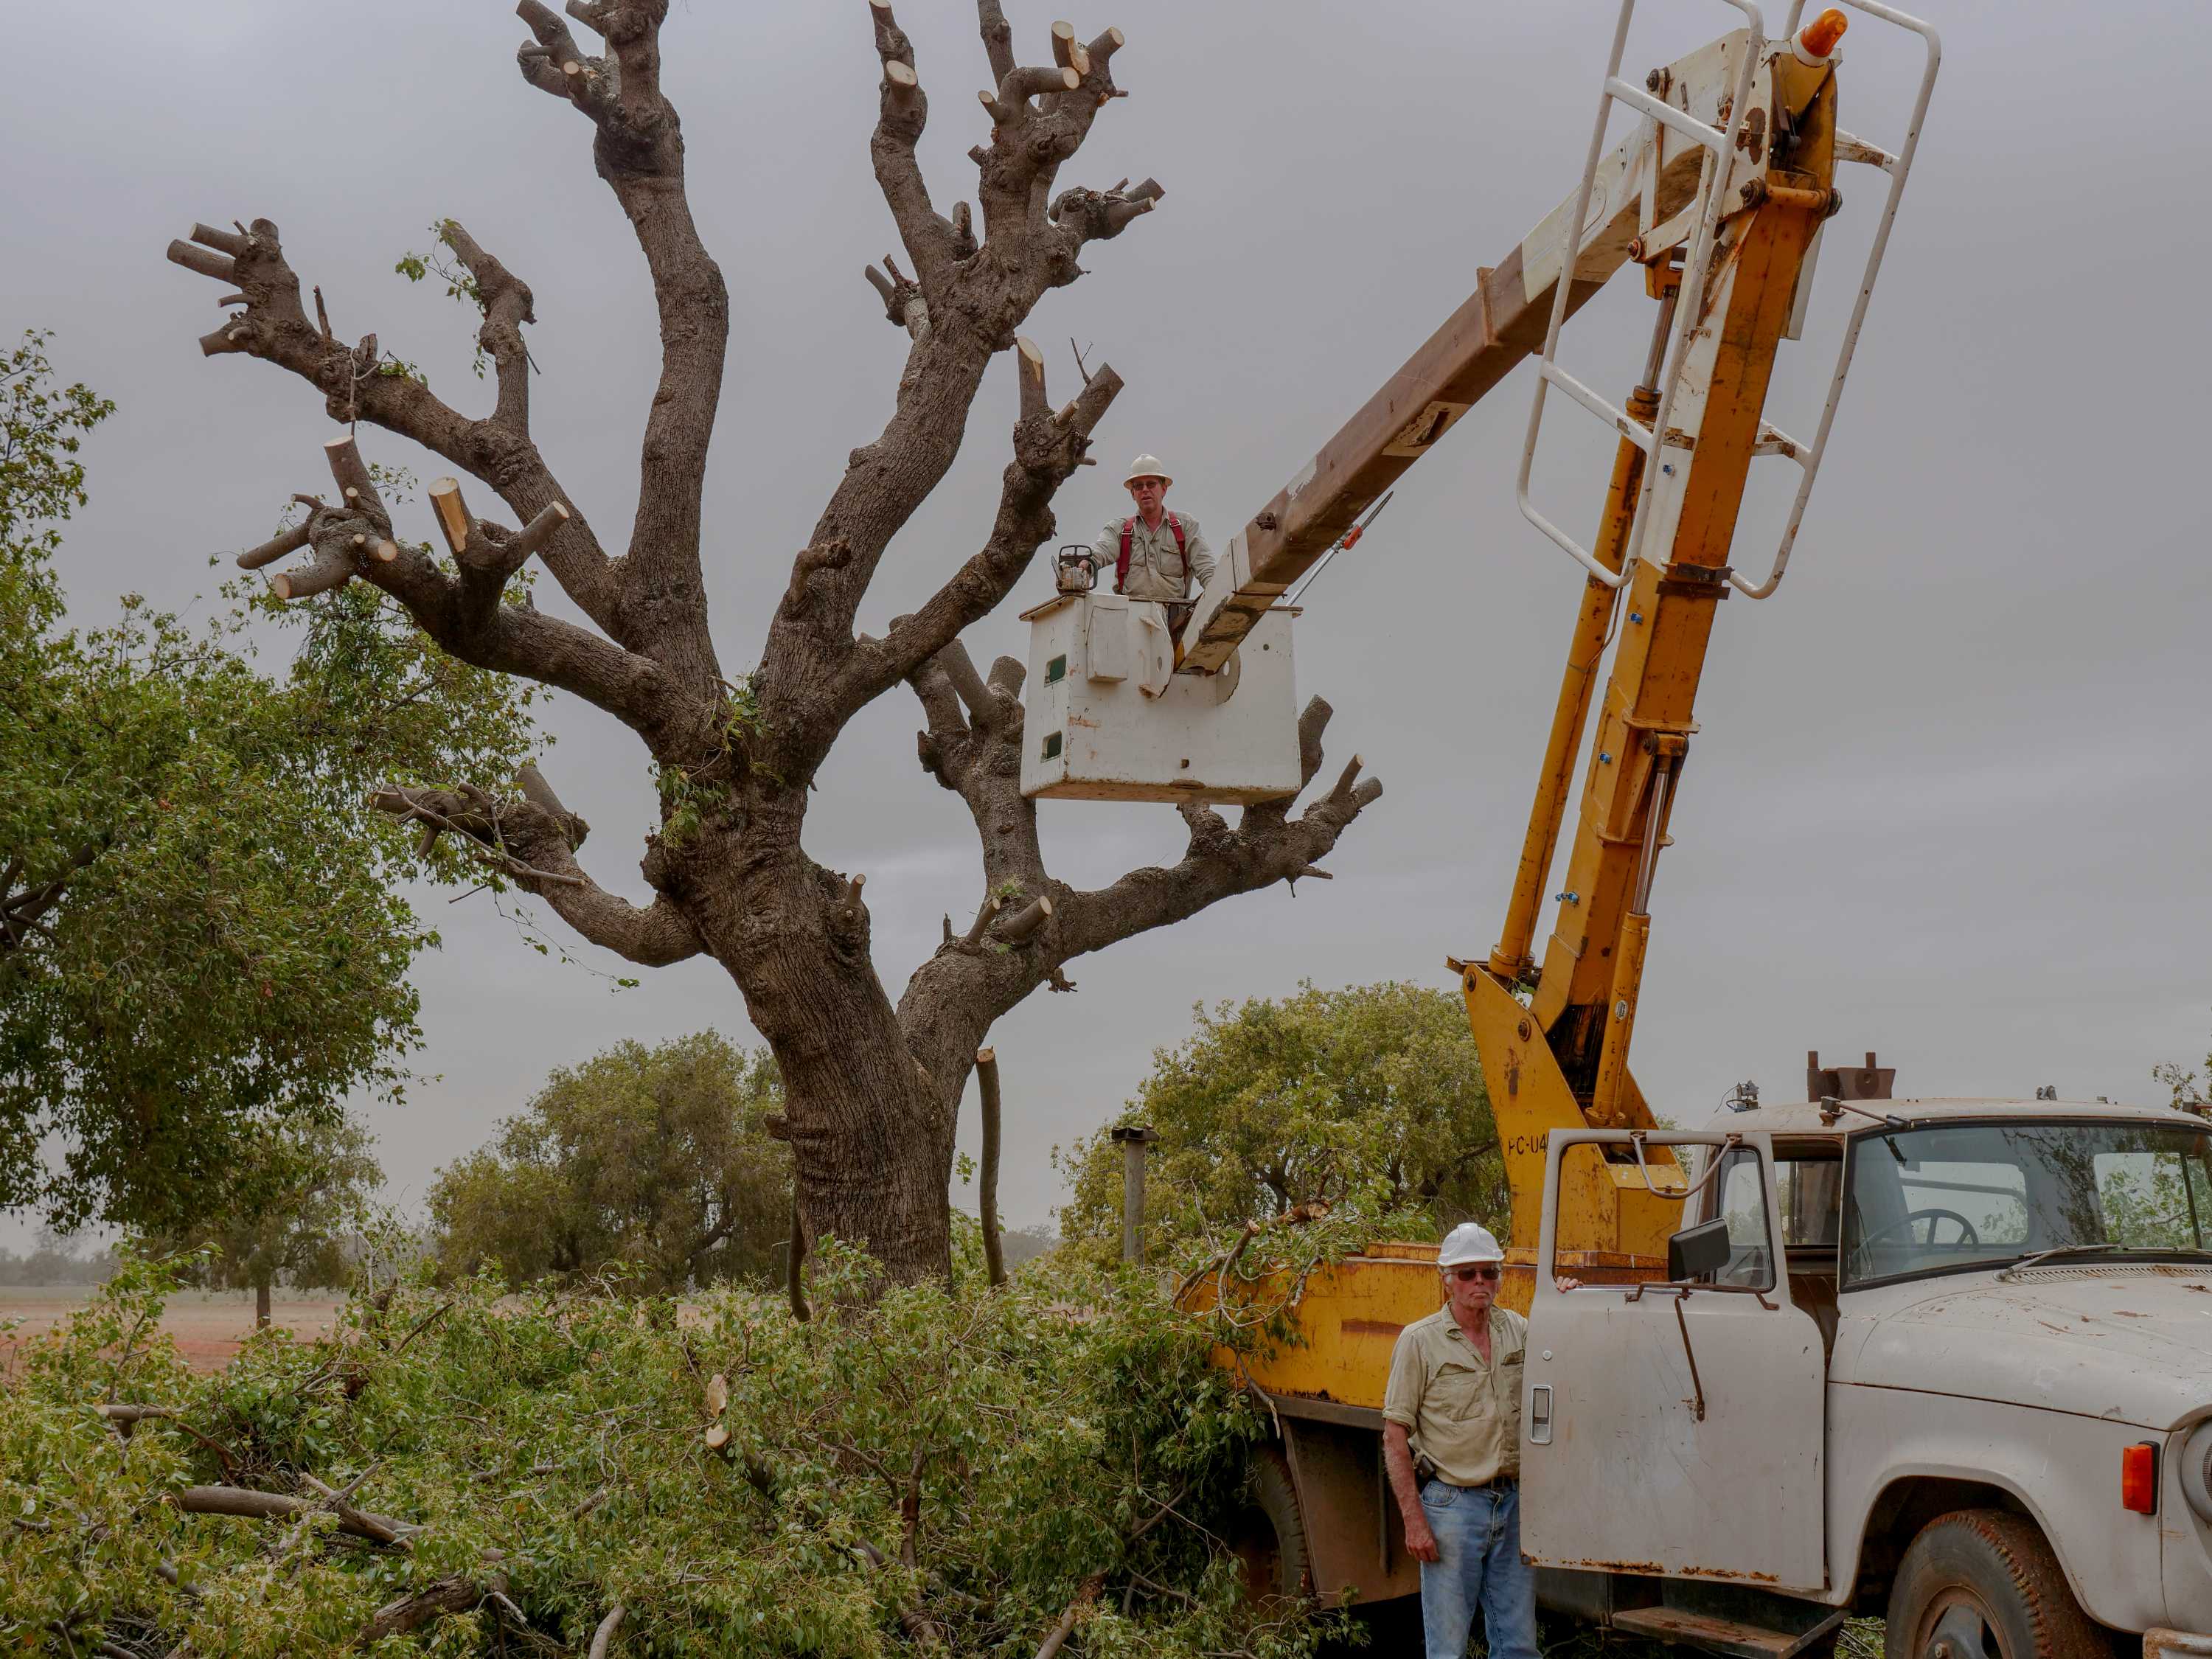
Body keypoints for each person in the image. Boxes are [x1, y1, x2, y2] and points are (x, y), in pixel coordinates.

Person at [1382, 1221, 1539, 1659]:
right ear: (1446, 1278)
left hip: (1512, 1505)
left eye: (1488, 1273)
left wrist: (1567, 1295)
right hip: (1451, 1509)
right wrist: (1415, 1522)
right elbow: (1395, 1435)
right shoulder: (1419, 1341)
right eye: (1468, 1274)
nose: (1479, 1283)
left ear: (1499, 1277)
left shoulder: (1519, 1331)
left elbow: (1564, 1360)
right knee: (1448, 1647)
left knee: (1520, 1645)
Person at [1093, 454, 1216, 606]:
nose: (1145, 490)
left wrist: (1219, 595)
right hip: (1130, 618)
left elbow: (1205, 566)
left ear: (1164, 489)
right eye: (1138, 486)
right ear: (1133, 494)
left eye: (1151, 484)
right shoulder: (1119, 529)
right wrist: (1084, 565)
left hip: (1175, 620)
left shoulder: (1186, 526)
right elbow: (1101, 551)